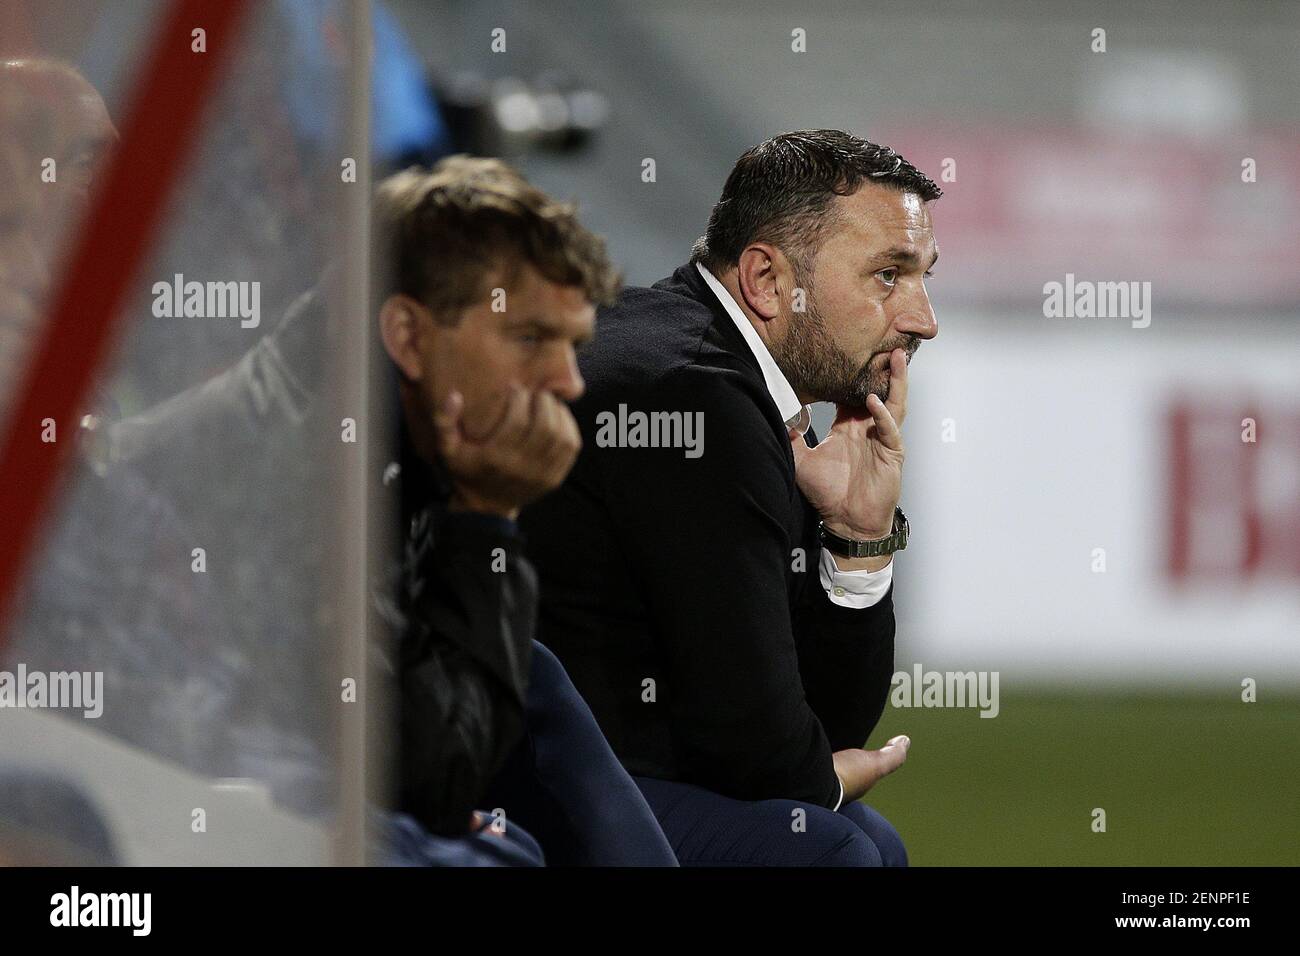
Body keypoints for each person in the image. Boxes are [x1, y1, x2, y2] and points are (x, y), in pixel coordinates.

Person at [521, 130, 942, 866]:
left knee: (857, 840)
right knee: (836, 852)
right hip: (513, 789)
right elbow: (762, 748)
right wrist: (821, 778)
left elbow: (812, 730)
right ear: (768, 281)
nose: (921, 319)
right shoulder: (694, 395)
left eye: (923, 277)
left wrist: (857, 535)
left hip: (575, 773)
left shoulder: (695, 360)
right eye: (888, 275)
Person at [372, 157, 676, 865]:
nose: (569, 384)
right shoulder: (324, 483)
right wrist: (485, 515)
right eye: (532, 338)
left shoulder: (423, 447)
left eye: (575, 345)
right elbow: (434, 779)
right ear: (410, 337)